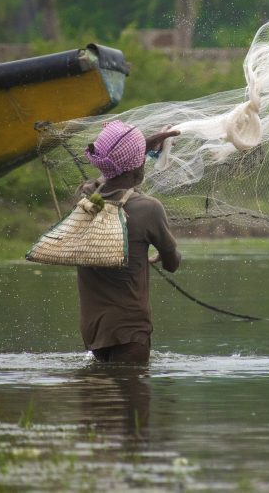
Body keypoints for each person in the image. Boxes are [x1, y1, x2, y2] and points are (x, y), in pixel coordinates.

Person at [75, 121, 181, 365]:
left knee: (102, 401)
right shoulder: (148, 209)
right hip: (129, 331)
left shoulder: (85, 199)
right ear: (138, 165)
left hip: (94, 330)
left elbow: (111, 179)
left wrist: (138, 150)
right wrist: (164, 255)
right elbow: (172, 263)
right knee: (132, 399)